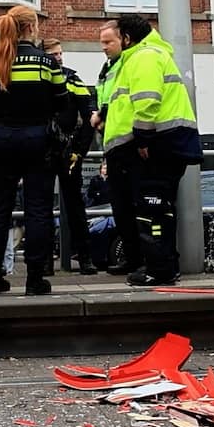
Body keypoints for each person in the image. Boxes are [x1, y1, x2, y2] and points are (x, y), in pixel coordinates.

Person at [103, 14, 202, 286]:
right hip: (163, 142)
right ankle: (163, 265)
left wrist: (143, 139)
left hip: (158, 143)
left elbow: (147, 100)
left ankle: (159, 270)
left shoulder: (143, 56)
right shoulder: (144, 55)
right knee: (155, 206)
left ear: (126, 37)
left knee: (152, 207)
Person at [0, 5, 68, 296]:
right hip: (37, 139)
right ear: (30, 28)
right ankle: (35, 279)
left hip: (2, 139)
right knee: (38, 210)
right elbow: (62, 102)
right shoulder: (45, 62)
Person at [42, 38, 97, 275]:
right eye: (54, 54)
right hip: (42, 150)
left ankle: (84, 258)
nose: (59, 58)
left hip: (68, 151)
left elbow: (89, 116)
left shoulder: (72, 78)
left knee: (75, 206)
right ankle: (44, 262)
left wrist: (79, 149)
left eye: (60, 53)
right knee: (41, 207)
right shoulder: (38, 79)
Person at [91, 20, 142, 276]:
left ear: (124, 39)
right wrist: (97, 112)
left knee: (134, 205)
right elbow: (103, 95)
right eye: (102, 42)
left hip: (129, 142)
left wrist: (101, 113)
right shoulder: (108, 66)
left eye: (108, 41)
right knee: (120, 206)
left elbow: (122, 97)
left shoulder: (128, 63)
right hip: (113, 142)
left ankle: (139, 259)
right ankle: (131, 258)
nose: (104, 47)